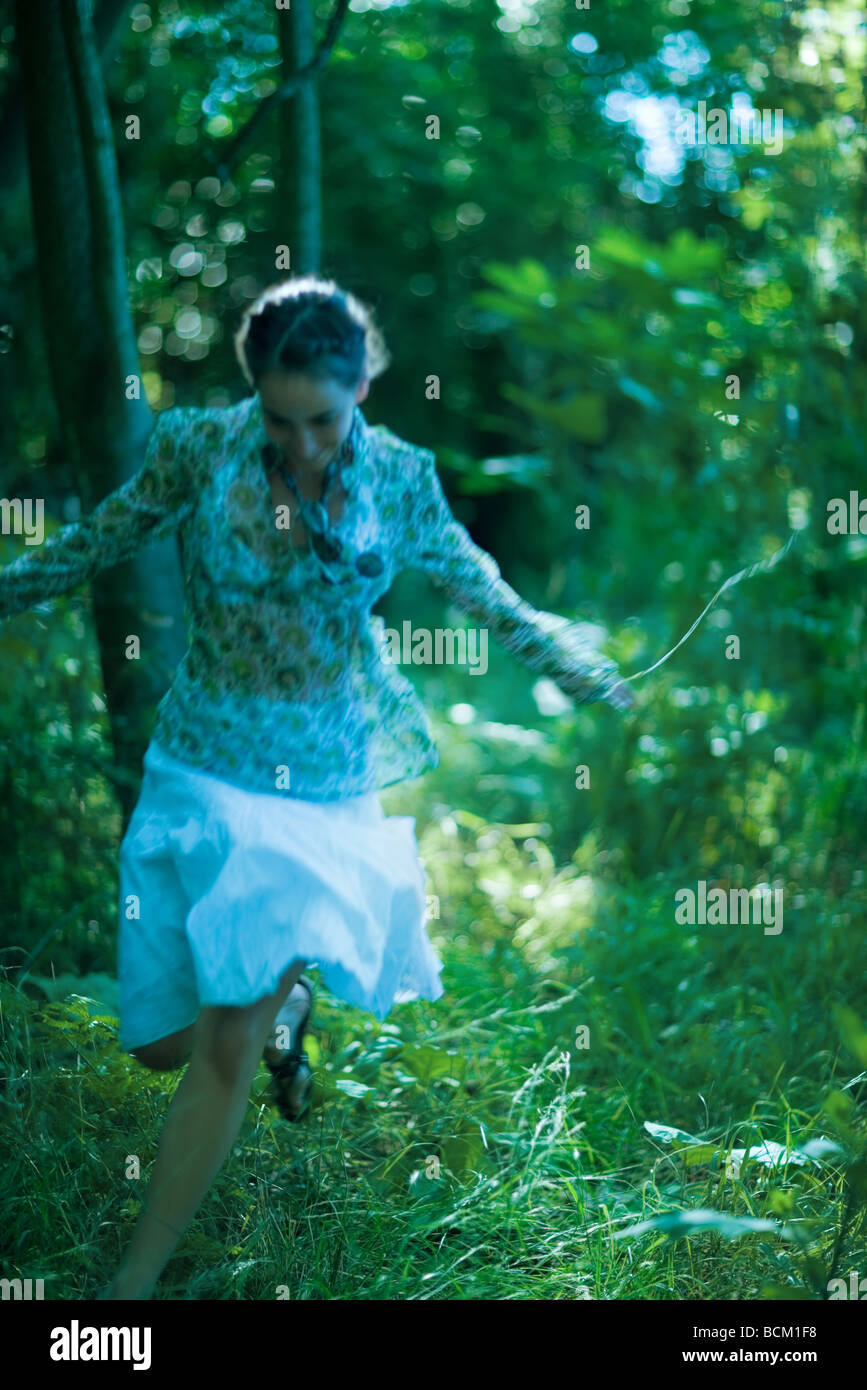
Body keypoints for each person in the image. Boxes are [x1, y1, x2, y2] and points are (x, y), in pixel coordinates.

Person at [0, 274, 635, 1300]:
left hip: (318, 790)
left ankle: (130, 1288)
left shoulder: (400, 478)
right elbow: (94, 541)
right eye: (281, 419)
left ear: (365, 386)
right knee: (166, 1043)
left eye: (324, 419)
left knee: (225, 1039)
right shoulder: (198, 449)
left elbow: (486, 590)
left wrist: (576, 664)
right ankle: (292, 998)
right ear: (254, 395)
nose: (303, 443)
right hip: (200, 767)